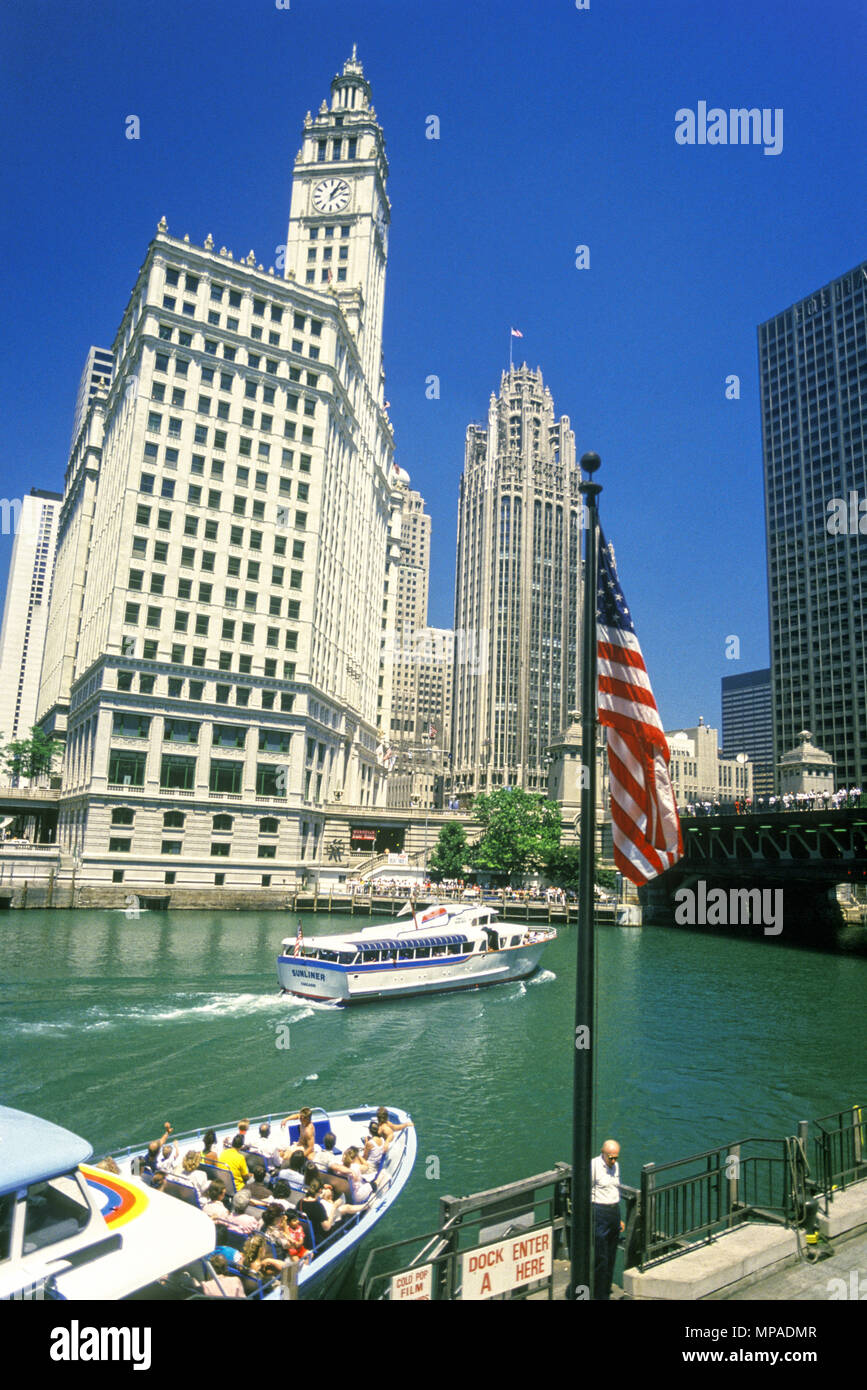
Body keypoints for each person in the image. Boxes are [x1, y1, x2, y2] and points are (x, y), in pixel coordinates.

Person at [591, 1139, 623, 1301]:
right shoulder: (593, 1166)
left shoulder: (615, 1166)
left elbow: (615, 1190)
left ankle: (606, 1289)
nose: (613, 1161)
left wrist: (619, 1219)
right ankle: (597, 1293)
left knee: (611, 1254)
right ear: (603, 1153)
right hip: (599, 1211)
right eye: (610, 1157)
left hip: (613, 1211)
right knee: (600, 1256)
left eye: (616, 1157)